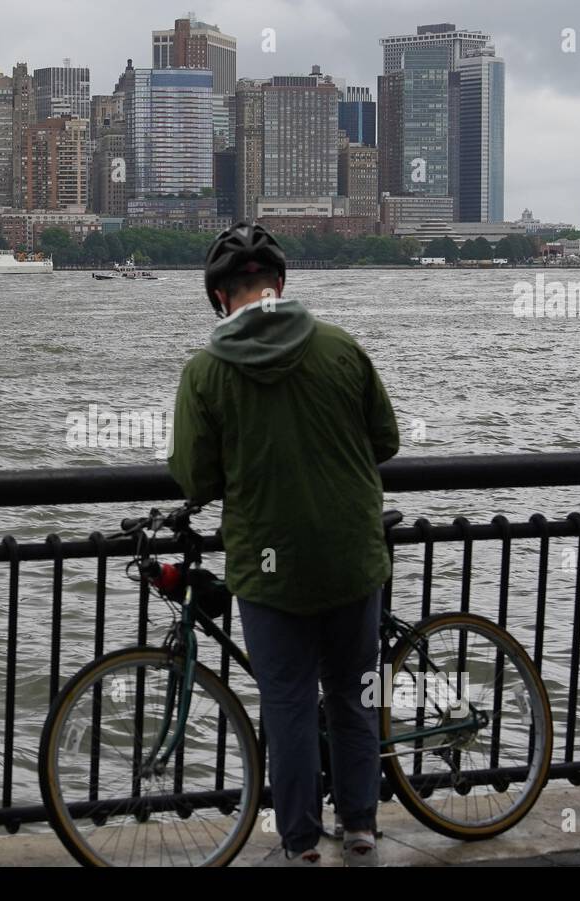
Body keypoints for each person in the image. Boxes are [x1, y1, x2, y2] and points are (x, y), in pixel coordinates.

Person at [168, 221, 400, 867]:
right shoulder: (340, 347)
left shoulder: (205, 373)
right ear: (280, 285)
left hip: (270, 573)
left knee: (290, 707)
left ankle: (300, 843)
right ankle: (360, 827)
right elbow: (386, 441)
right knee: (354, 700)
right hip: (354, 557)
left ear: (220, 297)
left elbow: (196, 477)